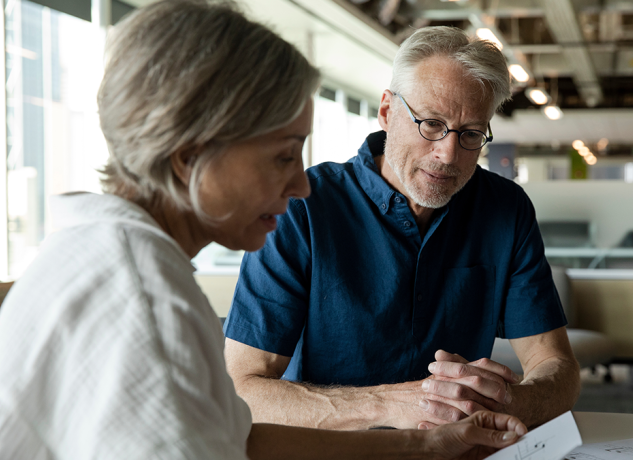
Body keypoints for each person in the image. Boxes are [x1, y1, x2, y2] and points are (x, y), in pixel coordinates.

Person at [0, 1, 528, 458]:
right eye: (282, 156)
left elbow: (237, 442)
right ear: (191, 156)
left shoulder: (100, 252)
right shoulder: (144, 300)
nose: (301, 184)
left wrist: (425, 446)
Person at [223, 26, 581, 431]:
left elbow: (558, 368)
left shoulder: (505, 208)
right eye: (431, 123)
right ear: (387, 112)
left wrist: (506, 400)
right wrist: (393, 405)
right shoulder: (303, 205)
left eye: (471, 134)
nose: (448, 153)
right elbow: (242, 390)